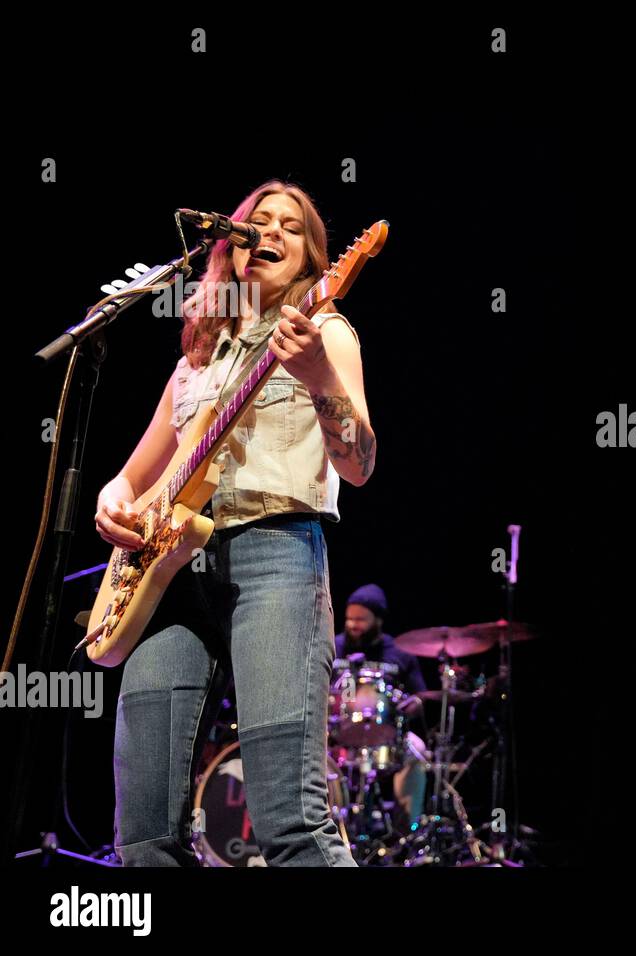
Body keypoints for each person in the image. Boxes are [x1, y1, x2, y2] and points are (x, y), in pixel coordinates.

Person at [95, 180, 377, 866]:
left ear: (316, 258)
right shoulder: (196, 359)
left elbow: (361, 460)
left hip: (275, 553)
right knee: (142, 840)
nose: (271, 233)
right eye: (258, 223)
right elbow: (133, 475)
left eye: (291, 226)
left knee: (291, 822)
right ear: (231, 243)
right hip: (166, 576)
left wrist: (316, 376)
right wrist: (113, 496)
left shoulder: (327, 329)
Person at [333, 583, 428, 823]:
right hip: (335, 735)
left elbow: (422, 696)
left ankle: (404, 831)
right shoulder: (332, 647)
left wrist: (415, 704)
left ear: (378, 620)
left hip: (387, 737)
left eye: (361, 620)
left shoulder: (400, 652)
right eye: (349, 618)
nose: (353, 625)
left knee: (418, 752)